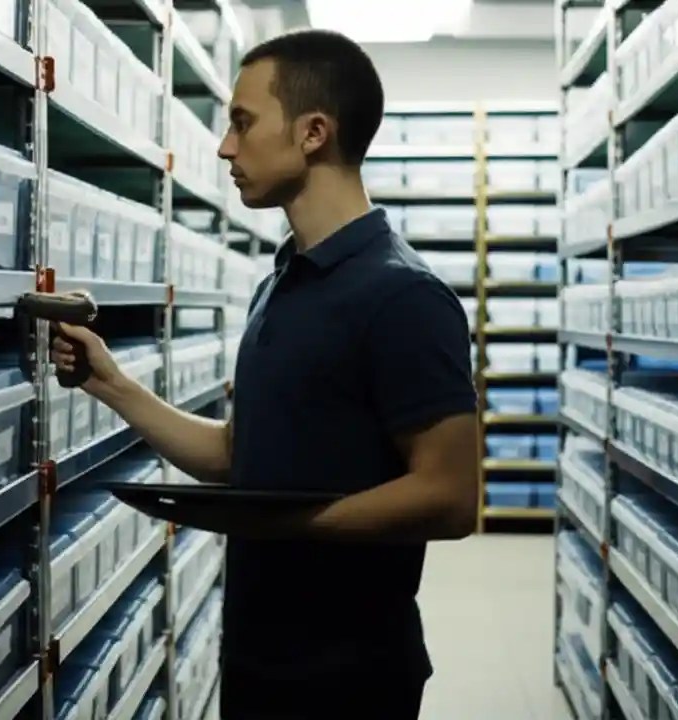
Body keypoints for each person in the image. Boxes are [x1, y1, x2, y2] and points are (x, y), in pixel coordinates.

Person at [51, 28, 478, 720]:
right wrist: (110, 383)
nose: (225, 147)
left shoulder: (404, 296)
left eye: (242, 123)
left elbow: (453, 495)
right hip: (257, 656)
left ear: (313, 132)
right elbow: (236, 453)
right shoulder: (280, 282)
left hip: (350, 677)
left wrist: (290, 523)